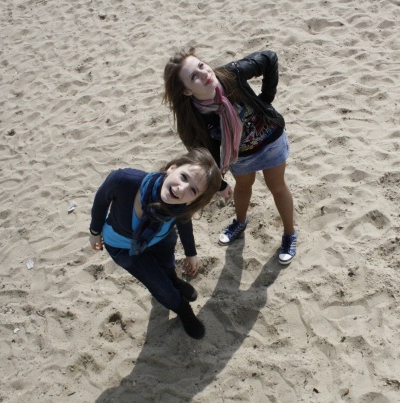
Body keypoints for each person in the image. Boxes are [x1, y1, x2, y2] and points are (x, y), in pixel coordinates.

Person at [163, 48, 298, 265]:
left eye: (201, 65)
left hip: (270, 140)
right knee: (243, 188)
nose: (204, 73)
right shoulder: (192, 118)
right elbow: (202, 153)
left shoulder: (231, 74)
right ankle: (240, 222)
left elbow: (269, 58)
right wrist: (219, 183)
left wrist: (266, 98)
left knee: (277, 187)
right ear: (187, 91)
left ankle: (289, 234)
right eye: (194, 76)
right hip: (239, 155)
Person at [88, 148, 221, 339]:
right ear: (172, 168)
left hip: (161, 239)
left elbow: (184, 222)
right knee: (161, 288)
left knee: (167, 267)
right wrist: (94, 231)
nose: (181, 189)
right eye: (183, 177)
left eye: (193, 190)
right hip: (123, 248)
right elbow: (101, 200)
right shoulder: (124, 180)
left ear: (195, 199)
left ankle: (173, 279)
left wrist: (191, 253)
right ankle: (184, 311)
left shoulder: (182, 206)